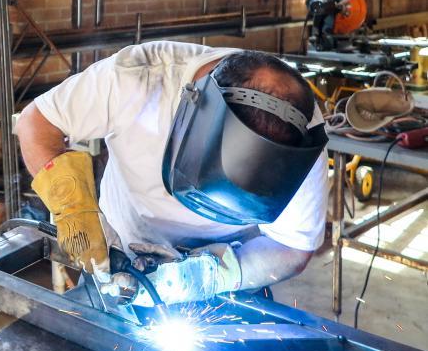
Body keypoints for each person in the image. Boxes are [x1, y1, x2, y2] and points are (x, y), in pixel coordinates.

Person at [17, 41, 329, 306]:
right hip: (118, 260)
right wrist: (75, 209)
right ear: (194, 107)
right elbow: (37, 122)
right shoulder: (137, 78)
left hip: (232, 272)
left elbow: (294, 247)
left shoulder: (298, 139)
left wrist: (213, 274)